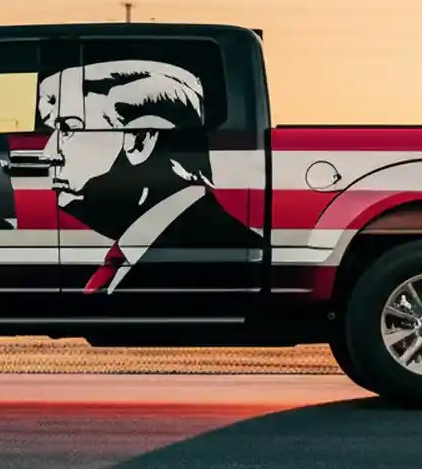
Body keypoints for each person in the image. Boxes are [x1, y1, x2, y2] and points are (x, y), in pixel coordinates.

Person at [37, 59, 262, 294]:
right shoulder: (161, 247)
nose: (48, 153)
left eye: (67, 129)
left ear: (139, 139)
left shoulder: (217, 255)